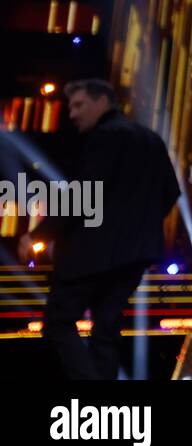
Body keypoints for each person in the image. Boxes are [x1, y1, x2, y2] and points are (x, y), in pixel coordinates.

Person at [18, 79, 181, 380]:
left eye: (79, 105)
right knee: (106, 330)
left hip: (91, 253)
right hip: (135, 255)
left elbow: (81, 195)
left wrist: (37, 235)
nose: (72, 114)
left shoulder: (105, 136)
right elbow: (171, 192)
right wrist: (138, 227)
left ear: (103, 102)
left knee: (58, 322)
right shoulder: (150, 139)